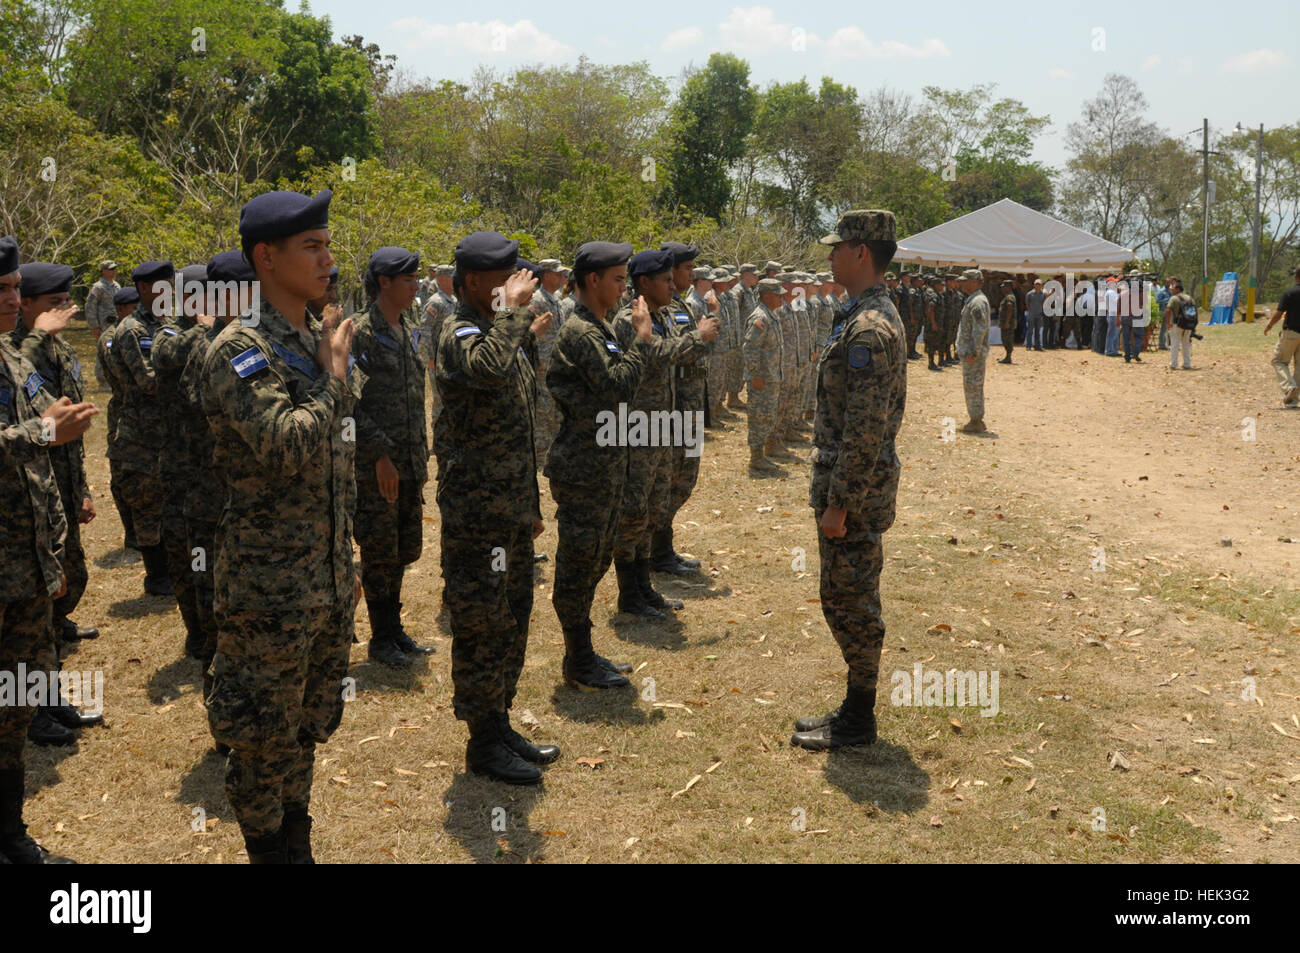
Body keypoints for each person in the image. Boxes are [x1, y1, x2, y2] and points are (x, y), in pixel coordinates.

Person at [201, 189, 360, 862]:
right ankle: (271, 851)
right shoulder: (240, 348)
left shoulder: (309, 336)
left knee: (305, 726)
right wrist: (331, 379)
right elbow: (288, 442)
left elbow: (333, 468)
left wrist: (344, 566)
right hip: (269, 591)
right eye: (311, 247)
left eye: (328, 244)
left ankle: (298, 842)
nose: (328, 258)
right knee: (263, 737)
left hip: (320, 580)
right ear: (267, 258)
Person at [435, 231, 558, 785]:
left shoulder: (501, 330)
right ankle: (482, 741)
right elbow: (484, 369)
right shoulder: (458, 330)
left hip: (508, 508)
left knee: (512, 619)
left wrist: (531, 504)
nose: (518, 283)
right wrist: (513, 315)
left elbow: (519, 424)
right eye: (506, 277)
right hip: (476, 514)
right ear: (478, 283)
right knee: (482, 624)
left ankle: (500, 722)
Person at [790, 210, 906, 751]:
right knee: (841, 596)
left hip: (853, 495)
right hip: (849, 487)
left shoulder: (870, 327)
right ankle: (853, 706)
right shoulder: (859, 314)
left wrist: (839, 503)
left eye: (837, 247)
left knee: (852, 602)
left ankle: (859, 720)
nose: (829, 254)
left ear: (861, 252)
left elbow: (865, 427)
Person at [0, 234, 97, 861]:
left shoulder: (10, 361)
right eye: (1, 291)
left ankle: (9, 832)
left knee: (12, 705)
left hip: (23, 566)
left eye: (13, 289)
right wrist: (43, 428)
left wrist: (53, 553)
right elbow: (33, 435)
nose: (11, 301)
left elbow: (43, 445)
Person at [547, 241, 655, 690]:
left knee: (593, 561)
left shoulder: (599, 326)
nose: (624, 286)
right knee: (579, 562)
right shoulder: (582, 331)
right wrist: (644, 341)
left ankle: (583, 652)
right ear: (593, 280)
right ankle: (577, 659)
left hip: (601, 465)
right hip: (583, 469)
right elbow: (616, 388)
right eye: (617, 278)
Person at [612, 249, 710, 615]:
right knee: (634, 512)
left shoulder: (661, 315)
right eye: (666, 281)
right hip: (638, 429)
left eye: (673, 279)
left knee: (652, 508)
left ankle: (644, 586)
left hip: (661, 427)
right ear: (643, 283)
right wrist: (698, 337)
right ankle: (629, 592)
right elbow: (655, 354)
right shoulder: (629, 319)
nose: (672, 286)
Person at [352, 246, 435, 666]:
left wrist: (417, 458)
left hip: (410, 458)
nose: (416, 285)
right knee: (379, 549)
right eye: (408, 279)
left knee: (402, 548)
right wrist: (380, 455)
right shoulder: (361, 332)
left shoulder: (407, 327)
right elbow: (350, 402)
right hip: (377, 465)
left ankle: (394, 629)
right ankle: (380, 639)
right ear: (384, 282)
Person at [111, 260, 175, 596]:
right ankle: (156, 576)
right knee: (148, 505)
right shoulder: (133, 330)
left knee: (167, 503)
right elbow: (149, 381)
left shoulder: (165, 323)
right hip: (141, 435)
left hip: (165, 432)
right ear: (145, 289)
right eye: (164, 285)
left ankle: (171, 570)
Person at [654, 241, 711, 575]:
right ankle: (656, 551)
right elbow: (671, 354)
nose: (692, 273)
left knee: (682, 479)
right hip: (671, 409)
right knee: (669, 481)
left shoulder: (682, 304)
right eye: (687, 268)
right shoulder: (662, 308)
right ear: (671, 271)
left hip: (688, 406)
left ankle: (661, 546)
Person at [99, 286, 139, 549]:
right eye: (134, 306)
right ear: (122, 309)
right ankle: (132, 532)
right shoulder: (111, 338)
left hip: (137, 412)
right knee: (122, 473)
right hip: (124, 412)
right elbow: (127, 379)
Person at [744, 277, 789, 474]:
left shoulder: (771, 314)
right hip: (762, 378)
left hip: (771, 376)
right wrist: (755, 374)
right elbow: (749, 348)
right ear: (767, 295)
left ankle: (762, 453)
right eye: (778, 294)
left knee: (768, 415)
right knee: (759, 416)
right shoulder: (760, 317)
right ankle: (756, 458)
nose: (782, 298)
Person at [956, 269, 991, 434]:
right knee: (973, 385)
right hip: (972, 352)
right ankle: (977, 418)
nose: (962, 283)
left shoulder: (977, 302)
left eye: (966, 280)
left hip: (973, 354)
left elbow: (979, 329)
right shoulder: (974, 300)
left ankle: (975, 420)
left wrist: (973, 352)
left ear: (975, 282)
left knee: (973, 386)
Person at [1262, 265, 1300, 407]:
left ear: (1296, 276)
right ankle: (1293, 400)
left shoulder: (1289, 293)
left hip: (1291, 333)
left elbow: (1279, 314)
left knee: (1278, 361)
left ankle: (1289, 387)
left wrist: (1269, 325)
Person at [1165, 279, 1197, 370]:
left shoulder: (1174, 298)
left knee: (1175, 344)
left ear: (1178, 289)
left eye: (1173, 289)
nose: (1171, 290)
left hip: (1176, 324)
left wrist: (1168, 323)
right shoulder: (1189, 298)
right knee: (1186, 344)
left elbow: (1168, 310)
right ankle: (1187, 364)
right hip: (1188, 324)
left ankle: (1174, 364)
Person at [997, 280, 1017, 364]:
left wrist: (1007, 322)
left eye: (1004, 287)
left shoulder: (1009, 297)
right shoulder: (1008, 296)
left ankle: (1008, 357)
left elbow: (1010, 308)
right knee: (1006, 339)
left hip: (1008, 323)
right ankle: (1007, 356)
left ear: (1008, 287)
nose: (1002, 288)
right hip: (1007, 322)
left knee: (1007, 339)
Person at [1025, 278, 1046, 350]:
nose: (1038, 286)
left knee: (1038, 331)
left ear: (1041, 285)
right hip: (1031, 314)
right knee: (1030, 331)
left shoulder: (1043, 294)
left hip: (1039, 314)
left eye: (1039, 284)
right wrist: (1030, 310)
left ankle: (1037, 346)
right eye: (1036, 284)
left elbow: (1043, 303)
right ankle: (1028, 345)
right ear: (1034, 285)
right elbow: (1027, 303)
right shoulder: (1030, 294)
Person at [1156, 277, 1173, 350]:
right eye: (1167, 282)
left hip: (1171, 311)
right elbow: (1158, 300)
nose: (1169, 284)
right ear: (1165, 283)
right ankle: (1162, 344)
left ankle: (1170, 344)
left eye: (1170, 283)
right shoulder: (1161, 291)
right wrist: (1167, 300)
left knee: (1170, 329)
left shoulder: (1171, 291)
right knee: (1164, 329)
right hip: (1163, 311)